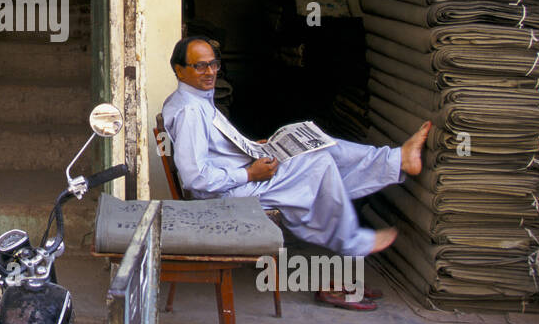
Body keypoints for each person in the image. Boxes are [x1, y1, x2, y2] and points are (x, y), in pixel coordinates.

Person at [161, 36, 430, 308]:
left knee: (322, 146)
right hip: (226, 193)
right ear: (179, 69)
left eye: (214, 64)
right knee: (320, 164)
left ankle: (396, 160)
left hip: (237, 174)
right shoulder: (189, 111)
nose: (210, 72)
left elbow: (213, 151)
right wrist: (250, 174)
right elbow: (195, 178)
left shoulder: (194, 98)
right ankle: (352, 239)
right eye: (200, 66)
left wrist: (253, 147)